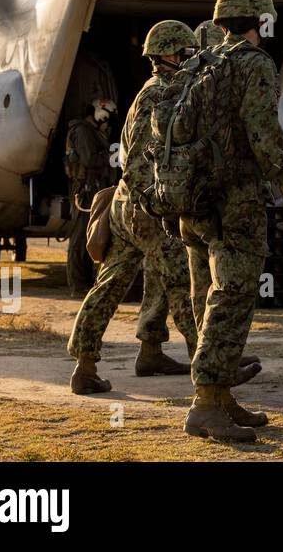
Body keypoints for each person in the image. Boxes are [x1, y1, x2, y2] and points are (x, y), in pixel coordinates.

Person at [180, 0, 283, 442]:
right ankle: (205, 405)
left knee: (215, 291)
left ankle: (222, 397)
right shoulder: (254, 65)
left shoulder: (203, 65)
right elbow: (264, 136)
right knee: (232, 296)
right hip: (237, 201)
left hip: (200, 202)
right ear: (259, 20)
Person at [67, 21, 202, 393]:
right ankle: (210, 366)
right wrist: (158, 206)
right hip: (145, 208)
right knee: (181, 282)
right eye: (187, 53)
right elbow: (143, 161)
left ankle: (91, 365)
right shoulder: (161, 94)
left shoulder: (155, 90)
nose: (191, 59)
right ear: (171, 55)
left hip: (128, 206)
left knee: (112, 285)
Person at [65, 98, 118, 210]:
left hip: (95, 184)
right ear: (102, 116)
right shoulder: (82, 132)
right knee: (86, 223)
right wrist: (111, 155)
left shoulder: (93, 132)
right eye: (108, 121)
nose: (108, 126)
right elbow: (89, 160)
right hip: (87, 188)